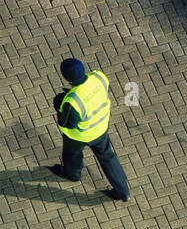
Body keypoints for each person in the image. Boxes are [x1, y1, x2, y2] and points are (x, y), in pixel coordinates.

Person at [49, 58, 130, 201]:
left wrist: (59, 105)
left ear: (67, 78)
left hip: (79, 136)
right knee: (108, 157)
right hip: (101, 128)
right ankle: (123, 191)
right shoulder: (99, 76)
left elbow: (67, 123)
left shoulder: (72, 101)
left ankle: (72, 175)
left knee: (71, 155)